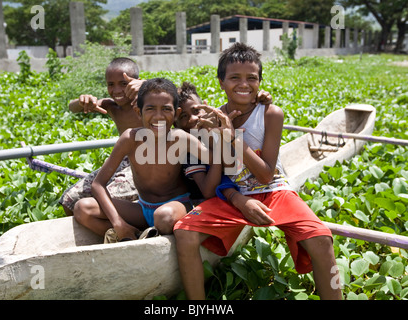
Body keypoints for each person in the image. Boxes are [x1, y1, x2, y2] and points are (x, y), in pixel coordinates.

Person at [173, 43, 342, 300]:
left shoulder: (270, 113)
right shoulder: (214, 120)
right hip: (235, 196)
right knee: (184, 232)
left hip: (275, 191)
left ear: (260, 81)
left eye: (252, 78)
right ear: (221, 82)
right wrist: (240, 201)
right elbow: (222, 176)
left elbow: (266, 175)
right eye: (235, 78)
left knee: (321, 240)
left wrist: (232, 139)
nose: (244, 84)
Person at [75, 78, 220, 241]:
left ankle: (143, 236)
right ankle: (133, 235)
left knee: (163, 217)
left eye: (166, 109)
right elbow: (98, 184)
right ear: (139, 112)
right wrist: (118, 223)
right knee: (83, 208)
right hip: (143, 210)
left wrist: (217, 132)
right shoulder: (129, 138)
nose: (158, 116)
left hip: (175, 207)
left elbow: (216, 160)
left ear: (176, 113)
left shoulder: (180, 138)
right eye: (150, 109)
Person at [59, 57, 144, 216]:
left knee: (105, 199)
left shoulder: (151, 102)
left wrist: (147, 86)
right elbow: (72, 107)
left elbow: (172, 93)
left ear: (136, 81)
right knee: (69, 200)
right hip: (122, 160)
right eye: (111, 84)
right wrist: (83, 101)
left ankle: (122, 231)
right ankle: (99, 231)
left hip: (145, 161)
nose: (117, 90)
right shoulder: (111, 106)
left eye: (123, 83)